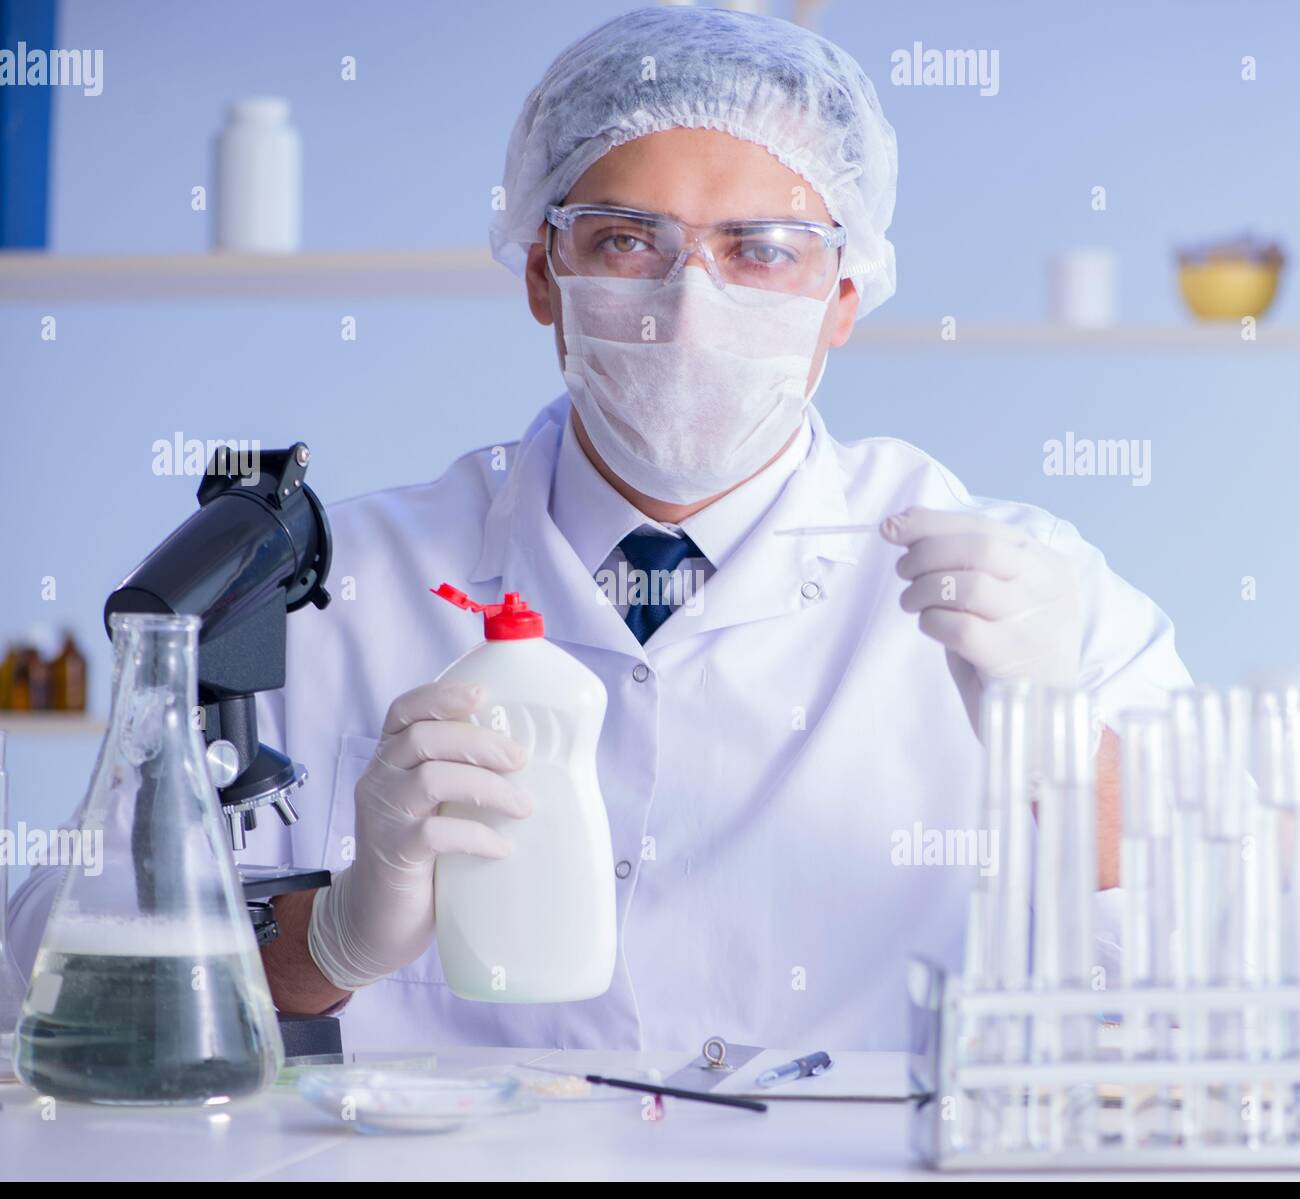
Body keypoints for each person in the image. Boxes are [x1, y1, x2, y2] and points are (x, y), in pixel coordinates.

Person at [8, 6, 1188, 1054]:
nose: (691, 301)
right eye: (629, 239)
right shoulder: (335, 583)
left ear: (841, 300)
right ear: (541, 269)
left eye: (760, 250)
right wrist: (340, 936)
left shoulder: (1024, 589)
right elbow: (41, 983)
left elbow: (1207, 971)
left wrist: (1056, 748)